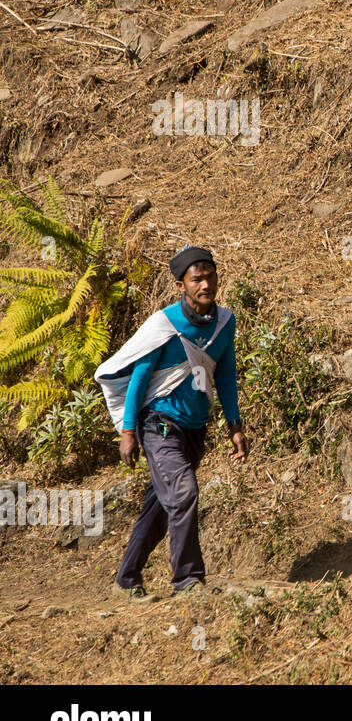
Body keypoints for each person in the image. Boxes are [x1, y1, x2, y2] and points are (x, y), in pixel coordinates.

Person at [94, 245, 248, 599]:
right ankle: (188, 581)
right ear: (181, 285)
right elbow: (139, 378)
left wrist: (234, 426)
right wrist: (129, 431)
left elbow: (224, 375)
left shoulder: (225, 322)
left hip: (194, 427)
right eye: (197, 279)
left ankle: (126, 578)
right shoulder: (163, 325)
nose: (205, 284)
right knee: (183, 493)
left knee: (162, 507)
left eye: (210, 276)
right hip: (159, 425)